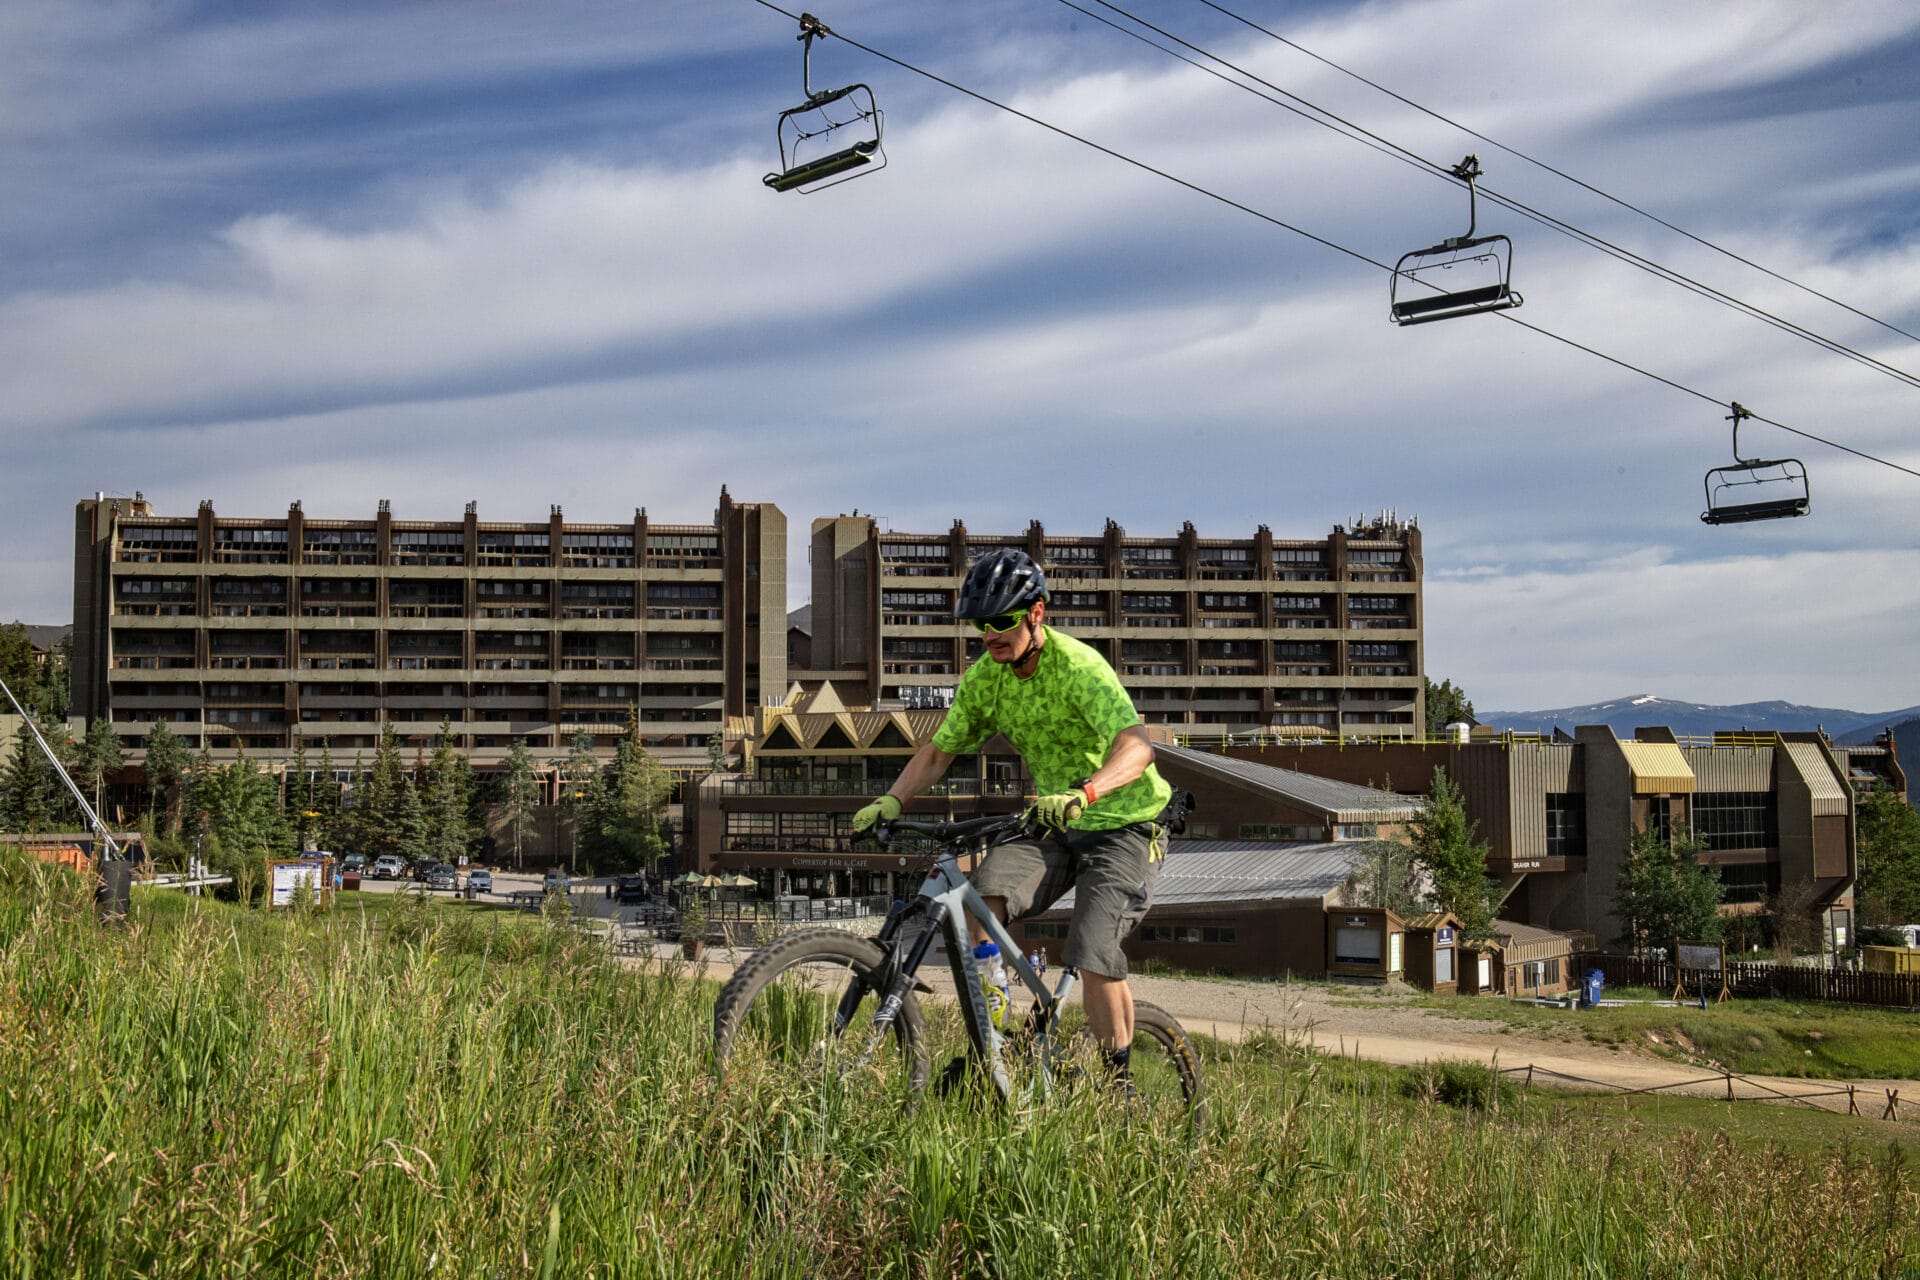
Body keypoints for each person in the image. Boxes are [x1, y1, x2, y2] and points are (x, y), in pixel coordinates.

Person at [852, 547, 1172, 1086]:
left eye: (1001, 622)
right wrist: (894, 799)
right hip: (1055, 824)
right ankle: (996, 1030)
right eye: (981, 625)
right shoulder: (986, 679)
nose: (990, 635)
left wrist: (1086, 792)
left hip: (1126, 825)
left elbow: (1138, 748)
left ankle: (1120, 1093)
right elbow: (939, 751)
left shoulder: (1078, 668)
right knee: (981, 899)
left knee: (1092, 952)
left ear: (1036, 614)